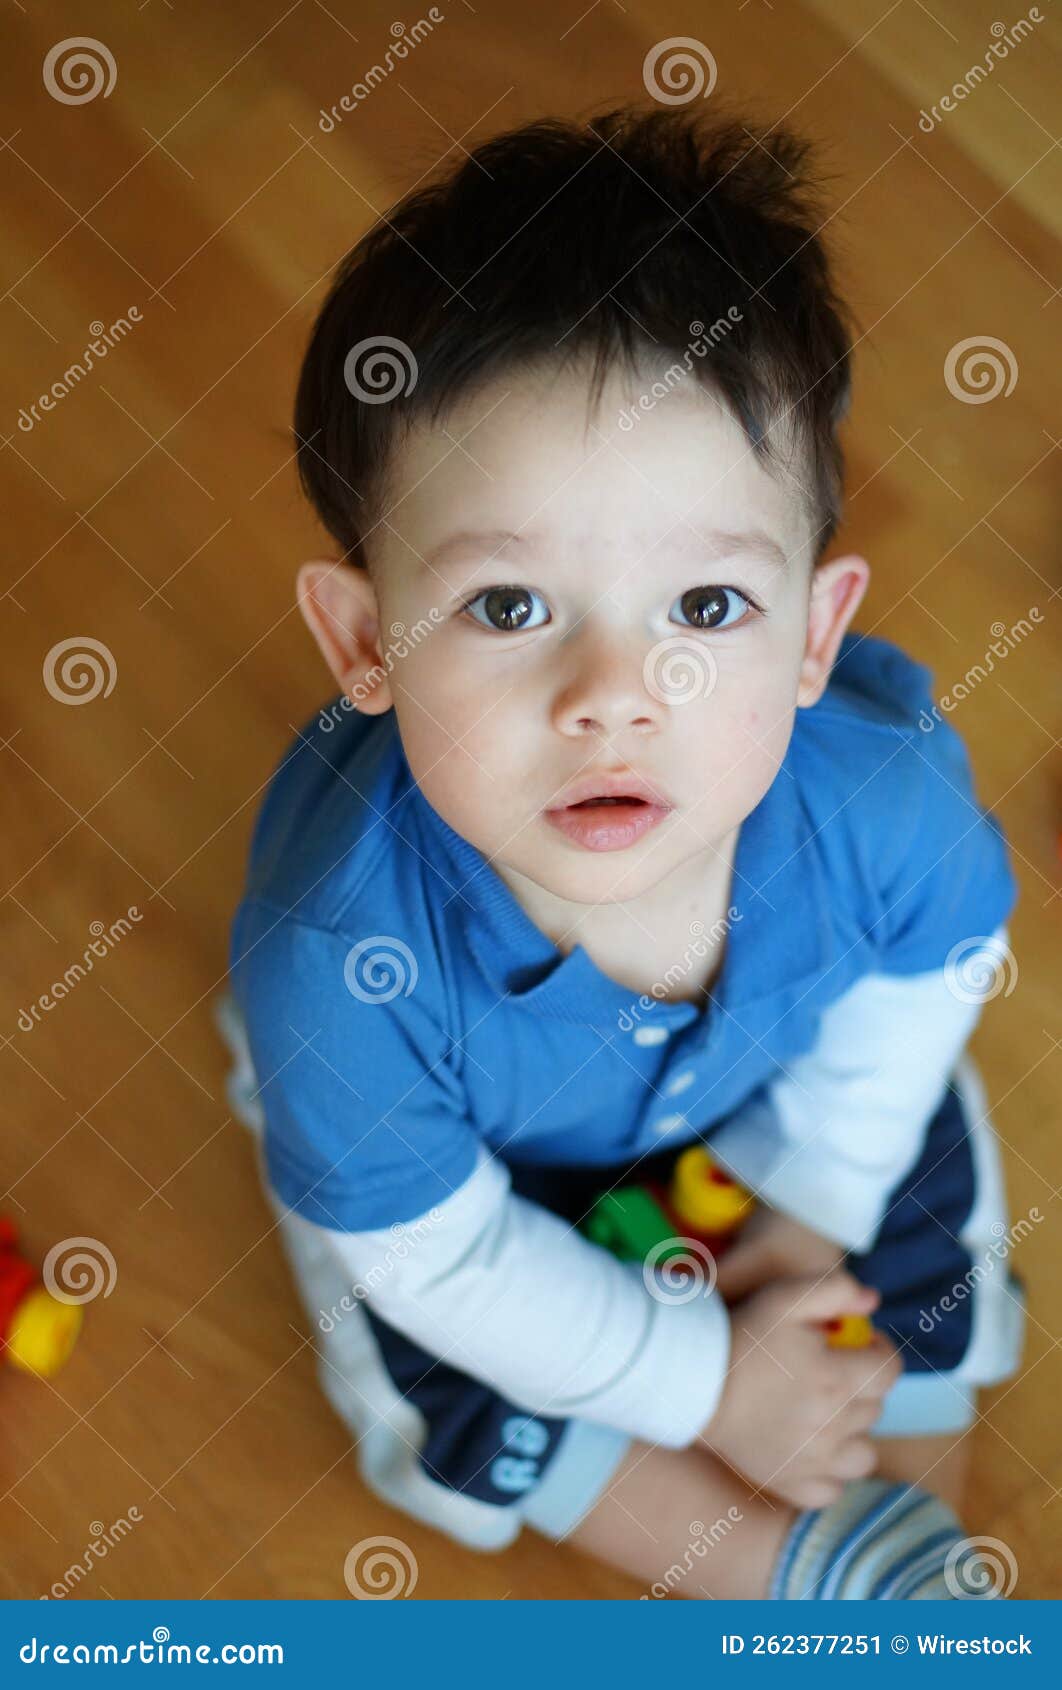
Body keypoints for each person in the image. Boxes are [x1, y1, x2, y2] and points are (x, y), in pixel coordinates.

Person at [219, 103, 1024, 1599]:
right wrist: (706, 1386)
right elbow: (444, 1264)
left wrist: (813, 1209)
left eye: (706, 609)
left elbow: (930, 968)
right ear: (360, 641)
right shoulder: (339, 968)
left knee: (914, 1178)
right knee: (461, 1372)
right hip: (482, 1186)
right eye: (509, 606)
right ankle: (797, 1573)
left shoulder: (875, 799)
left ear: (813, 632)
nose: (611, 697)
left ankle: (908, 1545)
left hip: (775, 1091)